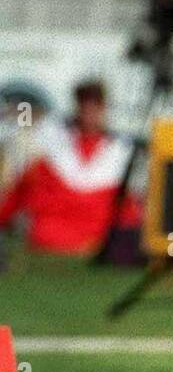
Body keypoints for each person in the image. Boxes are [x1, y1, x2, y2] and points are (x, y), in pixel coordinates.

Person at [0, 79, 137, 256]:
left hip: (96, 237)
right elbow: (22, 190)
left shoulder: (118, 151)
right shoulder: (53, 145)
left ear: (103, 109)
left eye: (95, 106)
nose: (89, 113)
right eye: (85, 105)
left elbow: (128, 209)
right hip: (50, 233)